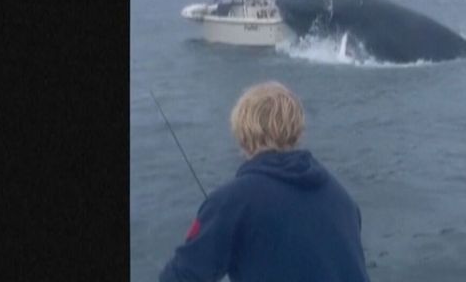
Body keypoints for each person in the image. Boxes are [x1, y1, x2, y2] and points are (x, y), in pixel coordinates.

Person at [158, 82, 370, 282]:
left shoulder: (232, 201)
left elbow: (179, 277)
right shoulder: (343, 200)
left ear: (242, 134)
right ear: (298, 131)